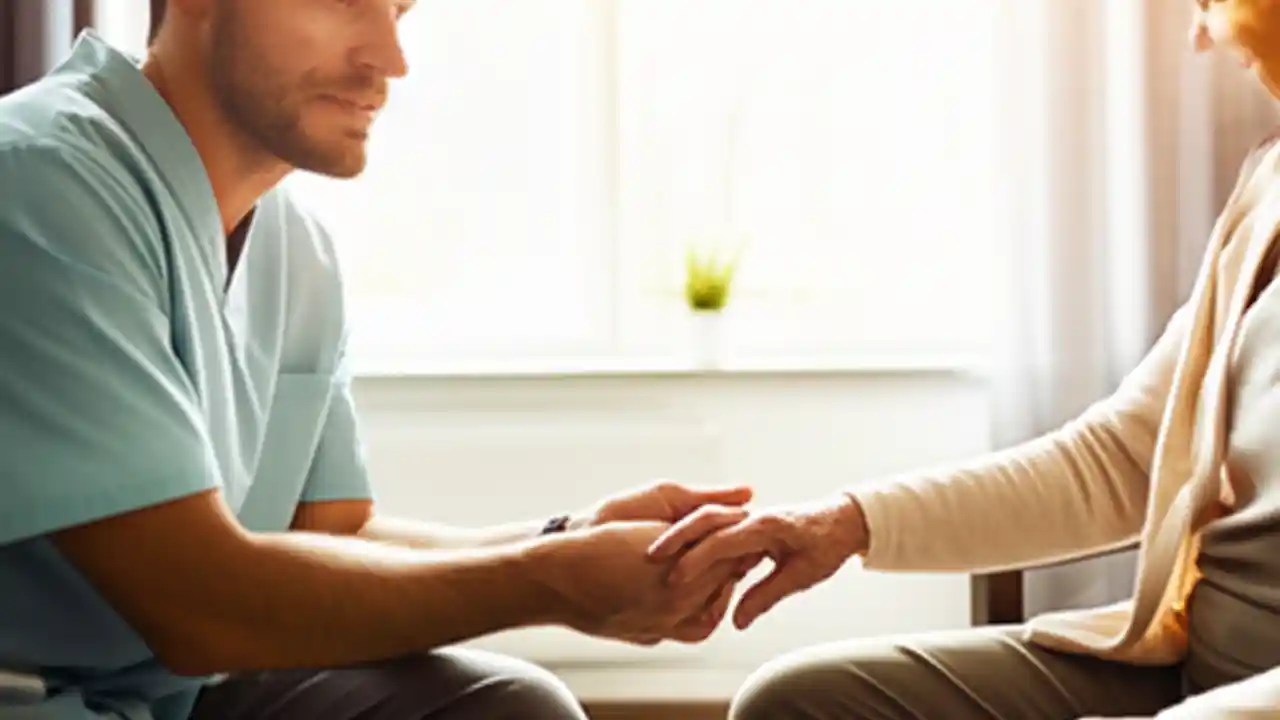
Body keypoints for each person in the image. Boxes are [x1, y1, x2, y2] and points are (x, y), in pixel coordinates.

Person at [0, 1, 757, 718]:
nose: (391, 59)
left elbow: (334, 539)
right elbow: (200, 604)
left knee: (505, 707)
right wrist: (553, 582)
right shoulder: (36, 179)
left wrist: (564, 535)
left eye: (399, 11)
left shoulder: (299, 254)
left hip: (175, 698)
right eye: (342, 3)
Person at [647, 2, 1280, 718]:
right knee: (793, 703)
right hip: (1194, 673)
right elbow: (1125, 459)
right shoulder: (1271, 187)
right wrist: (844, 523)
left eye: (1207, 4)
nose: (1199, 37)